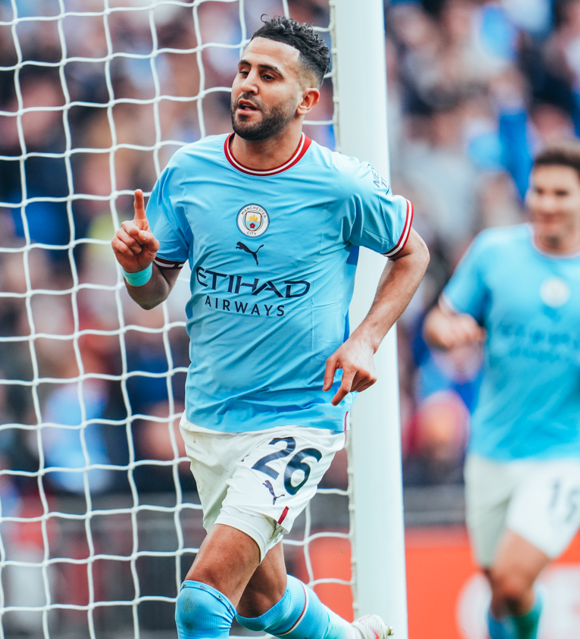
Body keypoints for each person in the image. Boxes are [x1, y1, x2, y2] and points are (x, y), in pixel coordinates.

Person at [111, 16, 428, 639]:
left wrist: (364, 337)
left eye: (269, 75)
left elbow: (411, 253)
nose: (247, 85)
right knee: (264, 600)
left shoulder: (339, 183)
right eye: (244, 70)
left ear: (307, 100)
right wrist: (137, 270)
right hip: (210, 418)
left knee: (203, 603)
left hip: (299, 417)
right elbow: (154, 296)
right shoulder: (190, 170)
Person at [423, 139, 580, 639]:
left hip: (571, 447)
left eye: (560, 193)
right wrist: (448, 331)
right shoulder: (494, 252)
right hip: (495, 442)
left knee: (515, 580)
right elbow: (439, 320)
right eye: (538, 191)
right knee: (499, 587)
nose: (546, 204)